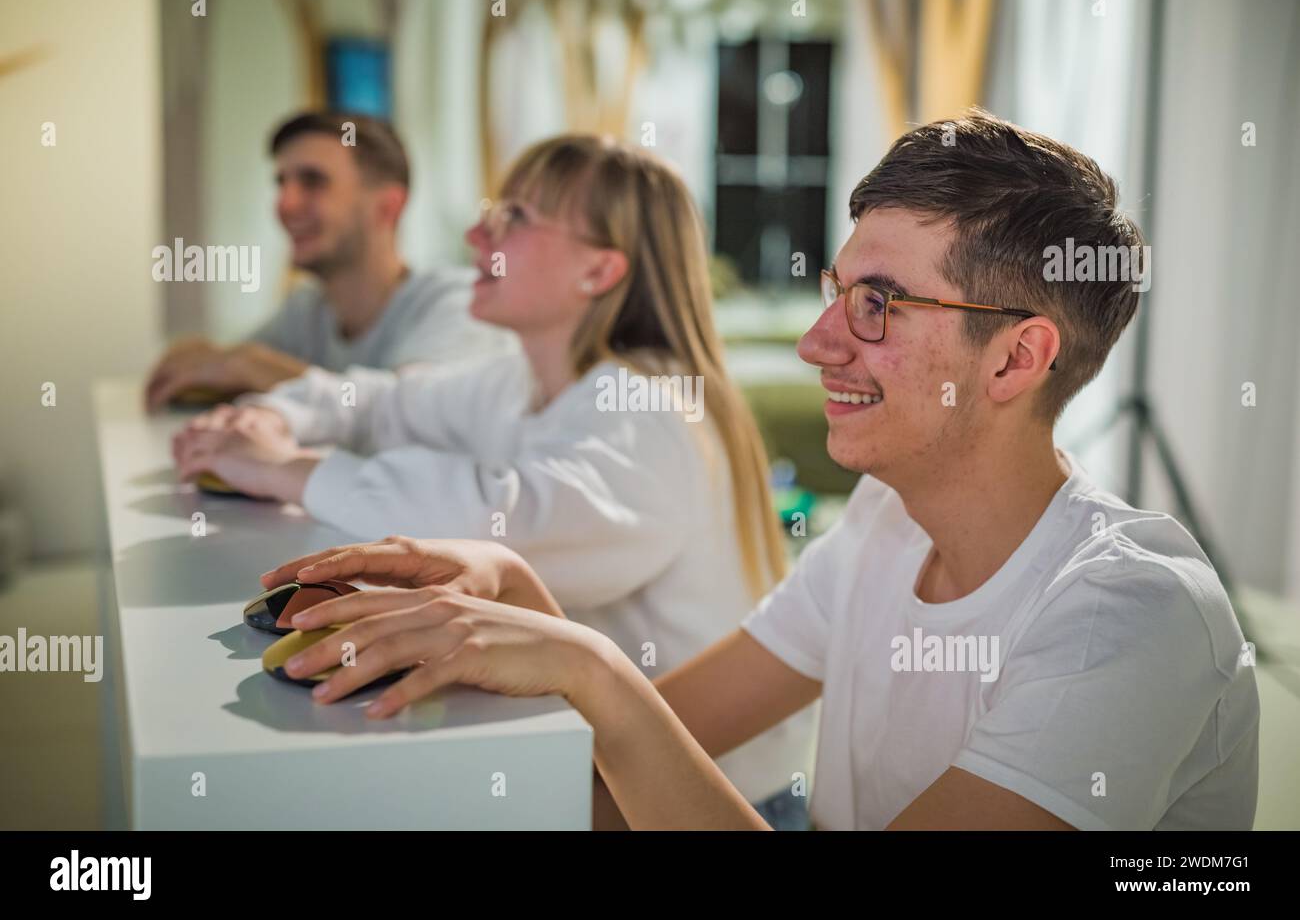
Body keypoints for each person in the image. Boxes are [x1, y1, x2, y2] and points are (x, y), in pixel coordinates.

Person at [257, 109, 1259, 830]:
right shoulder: (882, 521)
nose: (819, 343)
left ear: (1014, 360)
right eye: (835, 294)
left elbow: (630, 724)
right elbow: (650, 757)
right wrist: (515, 591)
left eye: (877, 305)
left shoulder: (1129, 617)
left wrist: (590, 667)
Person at [173, 134, 819, 827]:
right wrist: (259, 421)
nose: (477, 233)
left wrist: (288, 469)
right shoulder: (518, 377)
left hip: (695, 802)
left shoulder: (651, 405)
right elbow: (378, 402)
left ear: (598, 269)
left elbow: (500, 517)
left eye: (514, 218)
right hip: (595, 771)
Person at [144, 112, 507, 410]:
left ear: (387, 207)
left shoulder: (455, 304)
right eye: (281, 183)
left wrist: (256, 367)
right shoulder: (308, 310)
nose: (284, 205)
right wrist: (211, 360)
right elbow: (229, 367)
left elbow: (407, 416)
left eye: (313, 182)